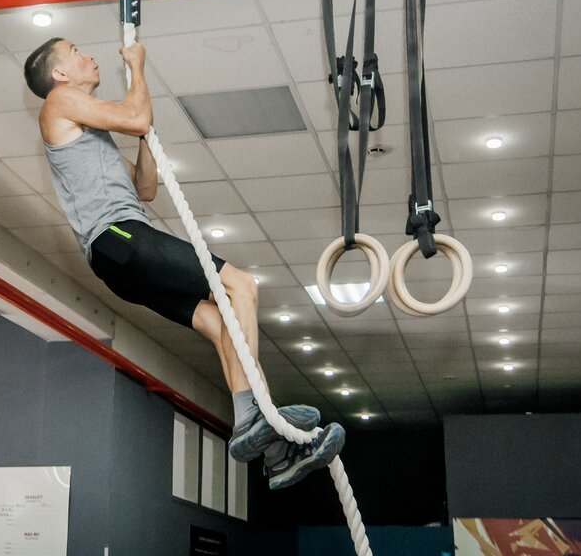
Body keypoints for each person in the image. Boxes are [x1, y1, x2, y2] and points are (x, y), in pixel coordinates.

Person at [24, 36, 344, 489]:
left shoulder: (88, 131)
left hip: (118, 258)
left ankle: (275, 456)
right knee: (242, 285)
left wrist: (146, 139)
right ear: (59, 74)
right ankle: (256, 414)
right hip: (120, 238)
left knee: (221, 321)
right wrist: (137, 68)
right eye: (75, 51)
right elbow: (135, 116)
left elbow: (146, 188)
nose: (88, 55)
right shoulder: (58, 101)